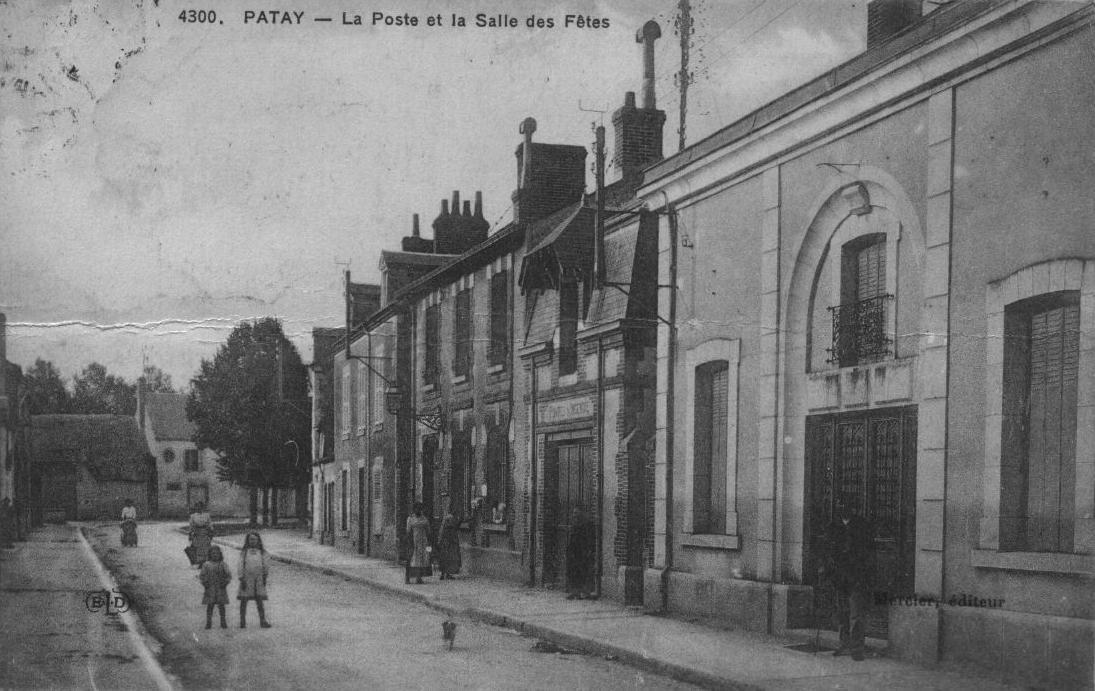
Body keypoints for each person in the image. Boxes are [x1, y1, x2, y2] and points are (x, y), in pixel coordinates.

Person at [820, 504, 874, 661]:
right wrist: (827, 570)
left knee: (856, 614)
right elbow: (827, 551)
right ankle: (844, 644)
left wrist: (865, 573)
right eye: (841, 505)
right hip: (839, 578)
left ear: (853, 508)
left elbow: (869, 553)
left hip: (857, 577)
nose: (845, 509)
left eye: (848, 505)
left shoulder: (862, 526)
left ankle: (857, 648)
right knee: (842, 612)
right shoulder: (832, 527)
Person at [237, 532, 271, 628]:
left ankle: (263, 620)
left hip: (259, 579)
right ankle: (242, 621)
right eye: (251, 539)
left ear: (258, 540)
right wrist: (241, 577)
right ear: (247, 541)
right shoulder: (244, 553)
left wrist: (265, 576)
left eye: (255, 539)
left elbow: (265, 565)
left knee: (259, 600)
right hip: (247, 579)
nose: (253, 541)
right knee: (244, 600)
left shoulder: (262, 552)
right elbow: (240, 565)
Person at [565, 506, 596, 600]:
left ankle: (584, 592)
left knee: (582, 572)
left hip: (582, 553)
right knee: (573, 572)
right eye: (574, 513)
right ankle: (575, 592)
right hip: (573, 553)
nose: (574, 515)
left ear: (581, 514)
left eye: (576, 513)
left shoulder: (586, 525)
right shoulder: (574, 524)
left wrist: (588, 551)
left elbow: (589, 539)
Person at [199, 545, 231, 629]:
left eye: (217, 554)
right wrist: (205, 583)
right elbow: (202, 575)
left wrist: (225, 583)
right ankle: (208, 622)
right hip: (210, 588)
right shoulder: (206, 564)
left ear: (220, 554)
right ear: (210, 555)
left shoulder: (223, 564)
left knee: (221, 606)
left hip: (221, 588)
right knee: (210, 606)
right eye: (213, 554)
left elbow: (228, 575)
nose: (215, 555)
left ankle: (223, 622)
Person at [405, 502, 432, 585]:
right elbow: (408, 531)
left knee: (422, 559)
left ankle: (419, 577)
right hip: (413, 541)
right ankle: (407, 578)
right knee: (411, 559)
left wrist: (429, 545)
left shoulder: (424, 519)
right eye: (417, 509)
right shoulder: (410, 519)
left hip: (423, 542)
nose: (418, 510)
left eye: (420, 509)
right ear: (414, 509)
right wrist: (409, 541)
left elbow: (428, 531)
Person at [435, 511, 461, 580]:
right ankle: (446, 574)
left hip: (446, 544)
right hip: (448, 544)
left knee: (446, 558)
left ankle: (444, 574)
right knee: (447, 558)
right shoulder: (449, 528)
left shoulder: (445, 527)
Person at [188, 501, 214, 566]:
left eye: (200, 506)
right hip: (197, 533)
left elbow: (209, 524)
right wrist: (190, 534)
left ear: (202, 507)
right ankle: (200, 562)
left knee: (206, 548)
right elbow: (191, 525)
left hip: (205, 533)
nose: (198, 508)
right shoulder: (193, 516)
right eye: (197, 506)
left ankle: (205, 562)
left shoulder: (207, 515)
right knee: (197, 548)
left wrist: (211, 531)